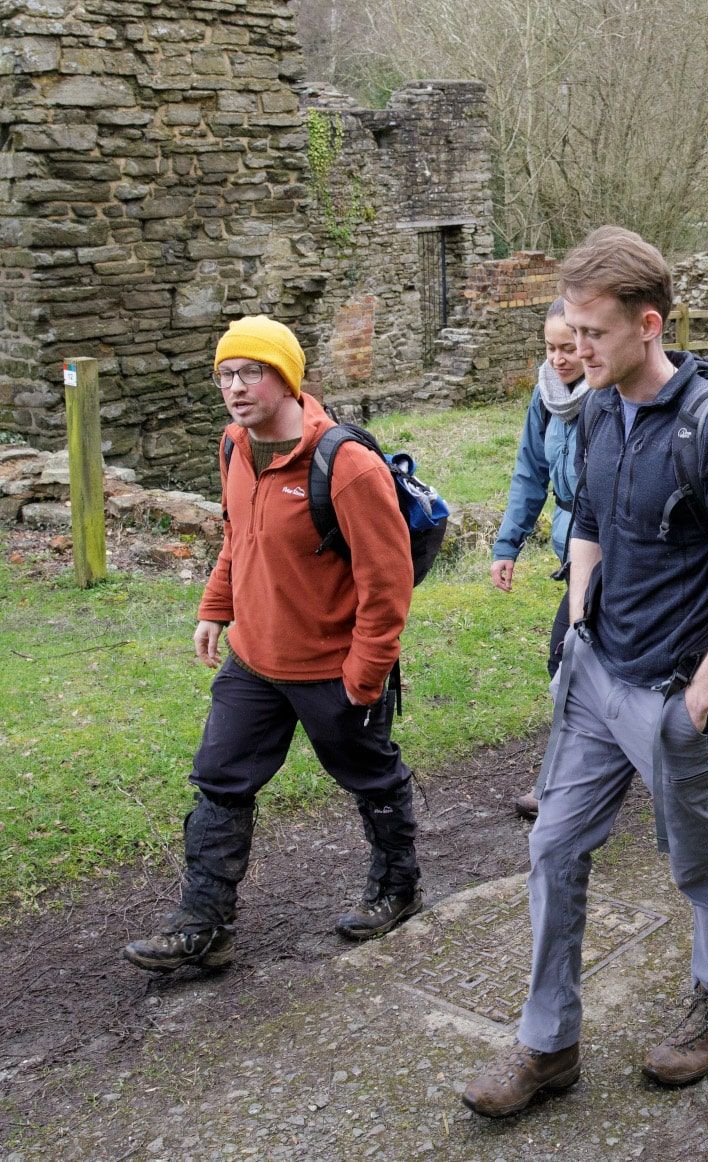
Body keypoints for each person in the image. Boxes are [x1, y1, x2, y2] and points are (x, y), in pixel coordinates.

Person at [463, 227, 708, 1117]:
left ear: (649, 325)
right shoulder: (599, 407)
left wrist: (704, 694)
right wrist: (579, 625)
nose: (577, 351)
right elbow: (590, 519)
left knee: (701, 866)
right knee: (553, 847)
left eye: (593, 333)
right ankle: (548, 1046)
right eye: (570, 330)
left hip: (676, 693)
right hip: (596, 677)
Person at [123, 315, 421, 974]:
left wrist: (367, 671)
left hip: (332, 667)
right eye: (225, 374)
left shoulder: (345, 465)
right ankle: (204, 926)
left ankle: (398, 888)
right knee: (219, 782)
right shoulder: (234, 446)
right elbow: (239, 535)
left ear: (285, 378)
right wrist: (216, 607)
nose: (235, 387)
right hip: (254, 660)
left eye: (251, 372)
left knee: (370, 776)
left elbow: (387, 579)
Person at [490, 299, 589, 819]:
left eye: (568, 347)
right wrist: (508, 545)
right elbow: (530, 471)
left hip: (616, 550)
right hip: (572, 550)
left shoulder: (611, 393)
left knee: (568, 661)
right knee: (576, 662)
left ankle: (563, 780)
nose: (558, 359)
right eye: (550, 348)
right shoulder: (546, 394)